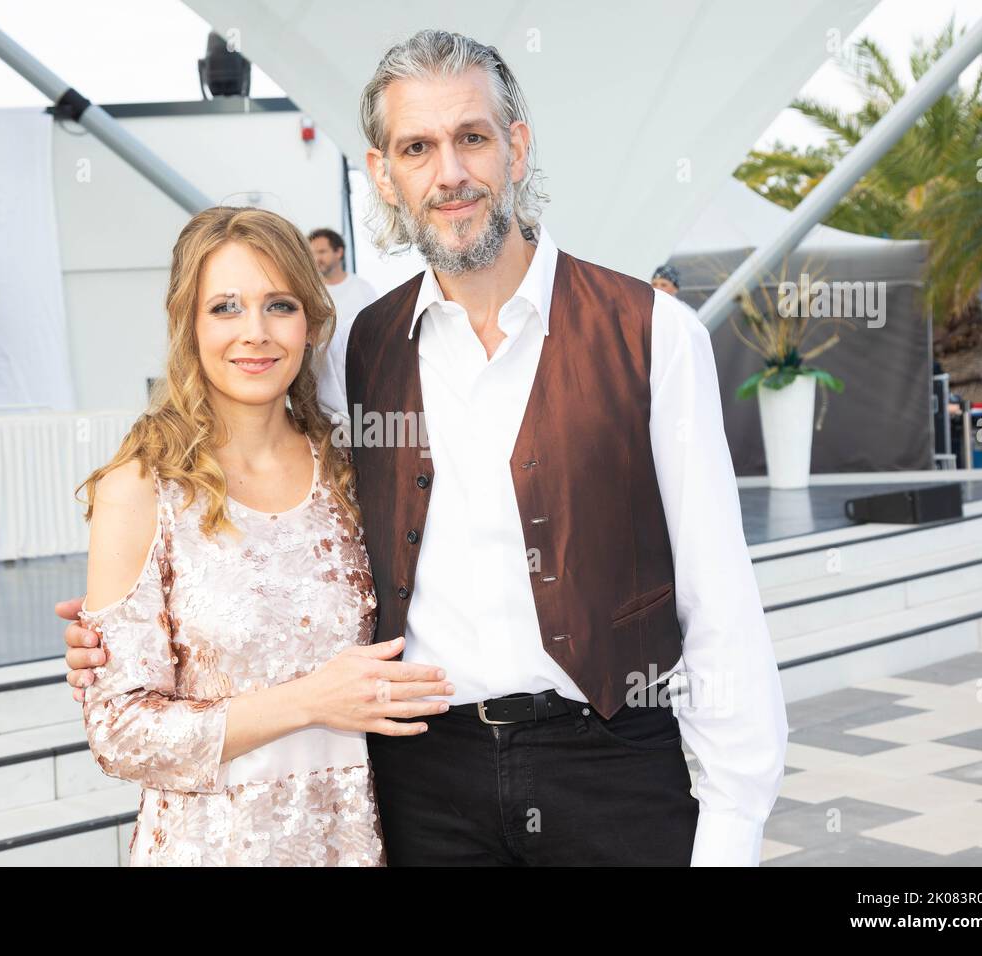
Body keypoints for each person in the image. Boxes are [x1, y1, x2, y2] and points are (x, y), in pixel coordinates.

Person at [64, 29, 789, 866]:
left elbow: (720, 603)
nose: (450, 174)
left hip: (611, 768)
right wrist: (116, 627)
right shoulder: (357, 351)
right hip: (420, 786)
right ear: (384, 174)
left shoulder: (654, 337)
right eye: (418, 147)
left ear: (515, 146)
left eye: (472, 138)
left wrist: (733, 827)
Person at [69, 205, 451, 865]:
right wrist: (309, 701)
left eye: (279, 305)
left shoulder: (356, 473)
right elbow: (119, 732)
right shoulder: (142, 486)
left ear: (311, 321)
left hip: (354, 844)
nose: (256, 333)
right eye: (225, 307)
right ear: (187, 322)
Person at [307, 228, 377, 417]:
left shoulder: (363, 290)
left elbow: (377, 337)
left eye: (321, 252)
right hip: (317, 388)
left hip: (358, 383)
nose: (316, 258)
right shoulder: (309, 293)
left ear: (339, 252)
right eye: (311, 253)